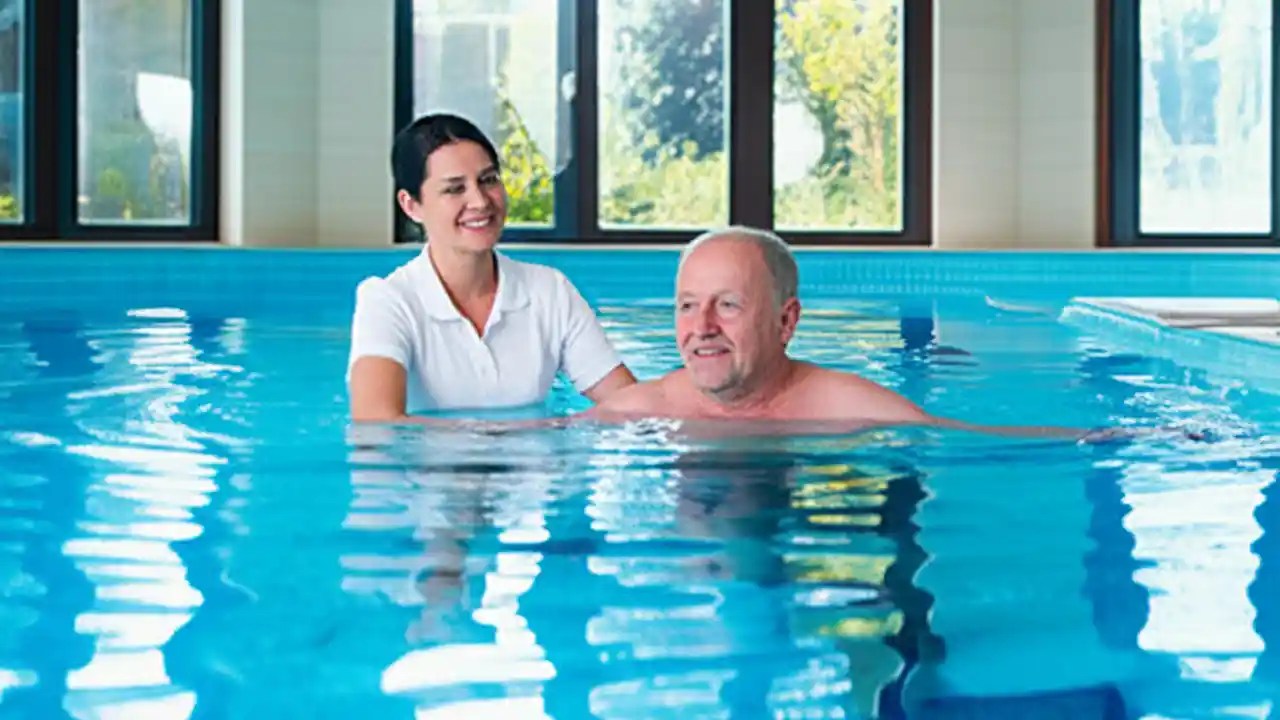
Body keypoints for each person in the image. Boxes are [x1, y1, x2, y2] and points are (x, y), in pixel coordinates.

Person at [585, 225, 1114, 440]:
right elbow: (544, 434)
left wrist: (1119, 437)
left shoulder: (840, 404)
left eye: (728, 306)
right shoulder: (642, 408)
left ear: (786, 321)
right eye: (686, 306)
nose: (701, 328)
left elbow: (963, 437)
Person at [347, 113, 636, 421]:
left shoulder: (549, 290)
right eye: (455, 189)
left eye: (488, 180)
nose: (480, 201)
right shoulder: (389, 300)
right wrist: (527, 434)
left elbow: (629, 403)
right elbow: (375, 421)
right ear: (411, 206)